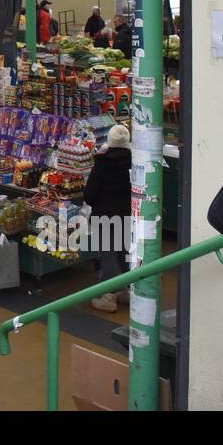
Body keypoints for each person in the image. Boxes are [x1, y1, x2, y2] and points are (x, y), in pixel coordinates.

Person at [82, 124, 132, 312]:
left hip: (105, 216)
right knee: (124, 253)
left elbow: (90, 194)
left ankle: (109, 296)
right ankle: (126, 290)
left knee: (109, 254)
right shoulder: (135, 160)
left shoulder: (103, 163)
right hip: (128, 214)